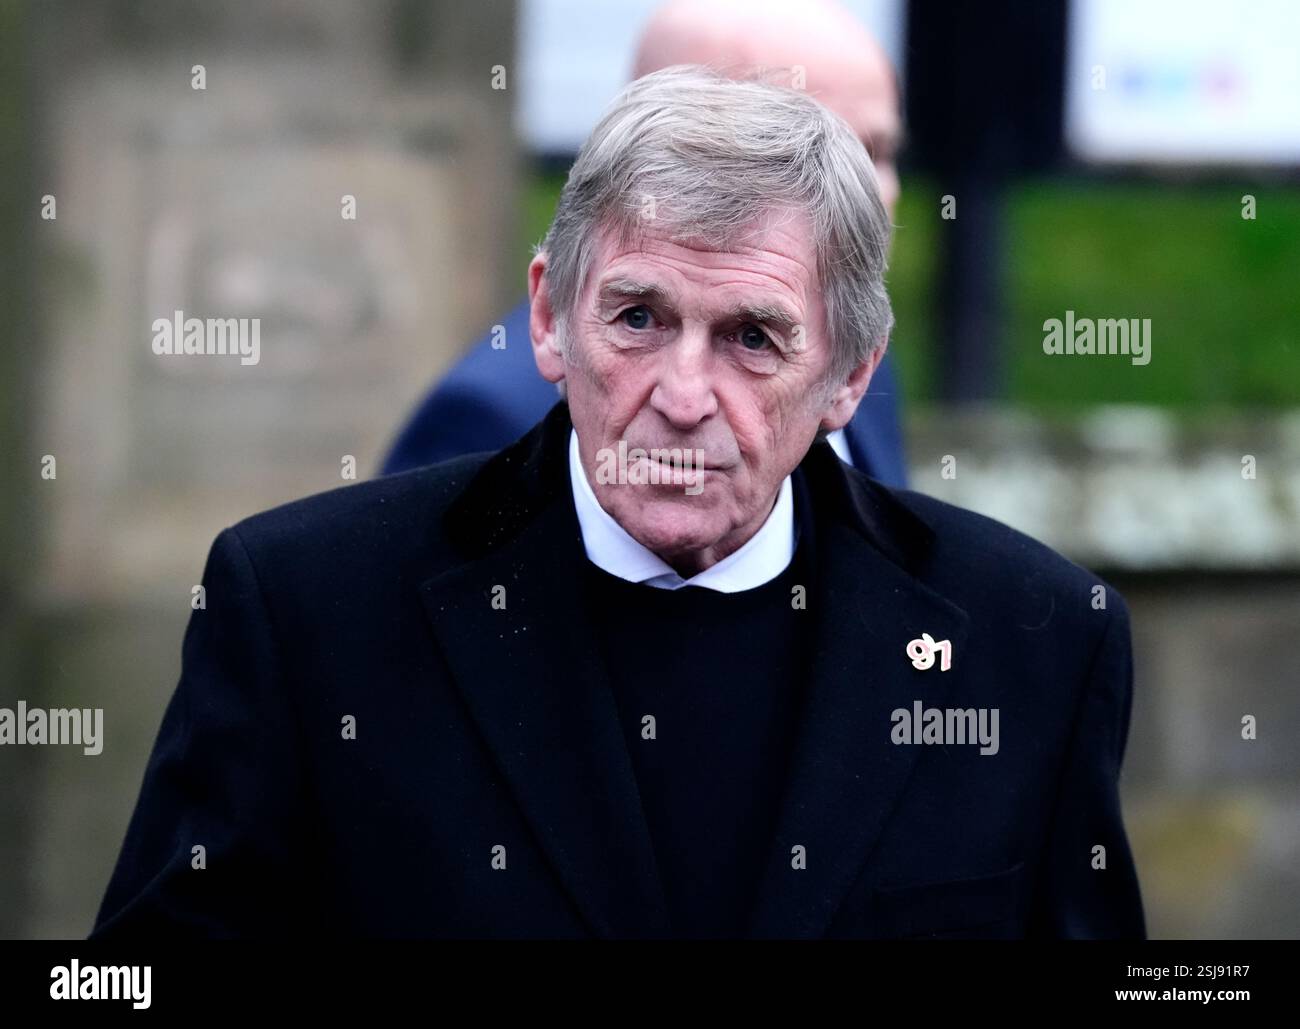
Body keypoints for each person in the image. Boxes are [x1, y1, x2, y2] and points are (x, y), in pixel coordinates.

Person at [92, 67, 1144, 939]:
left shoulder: (1031, 641)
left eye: (751, 339)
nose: (683, 399)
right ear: (548, 317)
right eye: (638, 319)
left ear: (850, 377)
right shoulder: (307, 608)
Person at [382, 0, 908, 487]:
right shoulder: (492, 415)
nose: (873, 196)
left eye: (877, 154)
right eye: (797, 155)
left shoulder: (844, 351)